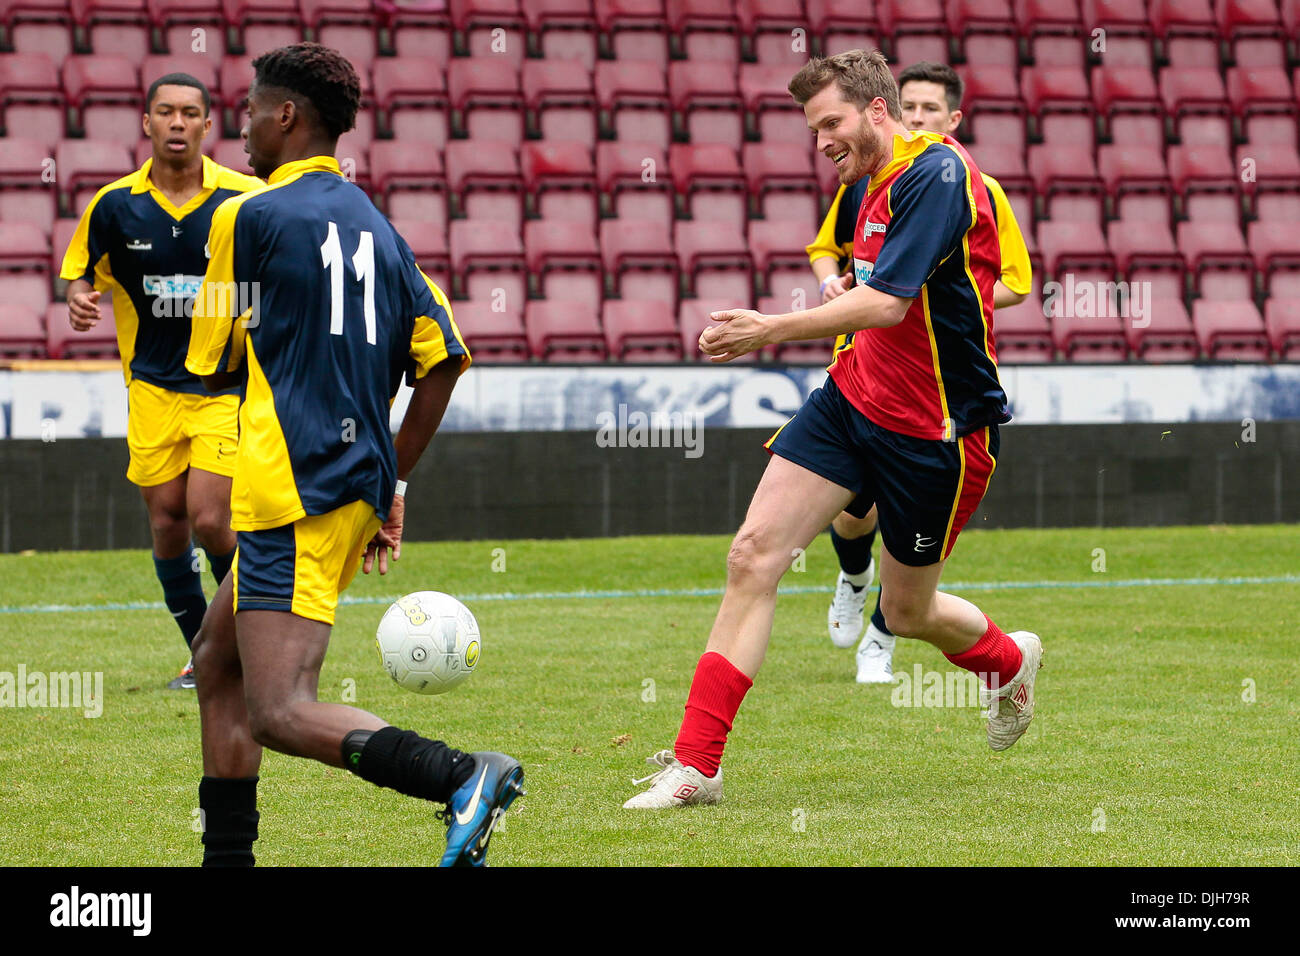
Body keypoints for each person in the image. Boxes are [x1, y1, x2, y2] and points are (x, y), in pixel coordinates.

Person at [623, 49, 1041, 809]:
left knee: (908, 611)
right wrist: (843, 289)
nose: (820, 141)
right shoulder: (864, 185)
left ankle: (1007, 663)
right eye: (813, 128)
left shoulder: (940, 174)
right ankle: (696, 766)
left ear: (877, 111)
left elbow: (889, 304)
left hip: (939, 433)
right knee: (753, 555)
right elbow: (870, 291)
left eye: (831, 123)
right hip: (852, 399)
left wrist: (770, 328)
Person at [185, 43, 523, 866]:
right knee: (215, 660)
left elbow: (212, 359)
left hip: (288, 489)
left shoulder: (245, 216)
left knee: (279, 708)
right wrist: (393, 474)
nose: (244, 123)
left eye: (255, 108)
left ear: (288, 115)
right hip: (350, 484)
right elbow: (443, 357)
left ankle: (460, 776)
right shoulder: (380, 229)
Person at [808, 61, 1033, 684]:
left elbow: (1014, 282)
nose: (916, 117)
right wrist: (837, 282)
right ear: (884, 108)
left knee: (908, 577)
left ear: (953, 119)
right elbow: (834, 250)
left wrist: (941, 284)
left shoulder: (970, 185)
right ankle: (854, 578)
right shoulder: (863, 180)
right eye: (906, 105)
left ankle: (881, 641)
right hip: (860, 369)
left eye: (929, 109)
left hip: (933, 389)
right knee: (849, 516)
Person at [60, 73, 266, 690]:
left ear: (208, 125)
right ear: (146, 123)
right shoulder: (113, 205)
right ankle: (201, 653)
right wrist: (77, 298)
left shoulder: (245, 198)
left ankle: (252, 642)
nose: (177, 123)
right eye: (166, 113)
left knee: (211, 520)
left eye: (190, 114)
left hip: (223, 388)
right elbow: (79, 274)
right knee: (168, 522)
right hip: (150, 388)